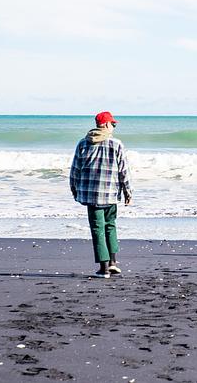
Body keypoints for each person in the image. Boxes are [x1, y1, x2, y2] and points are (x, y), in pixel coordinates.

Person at [69, 110, 132, 279]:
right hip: (110, 194)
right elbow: (124, 170)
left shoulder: (83, 143)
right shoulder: (116, 144)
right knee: (110, 225)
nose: (113, 127)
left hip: (91, 195)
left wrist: (74, 188)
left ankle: (104, 269)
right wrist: (128, 191)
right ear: (105, 124)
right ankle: (112, 263)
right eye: (113, 124)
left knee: (98, 229)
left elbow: (75, 169)